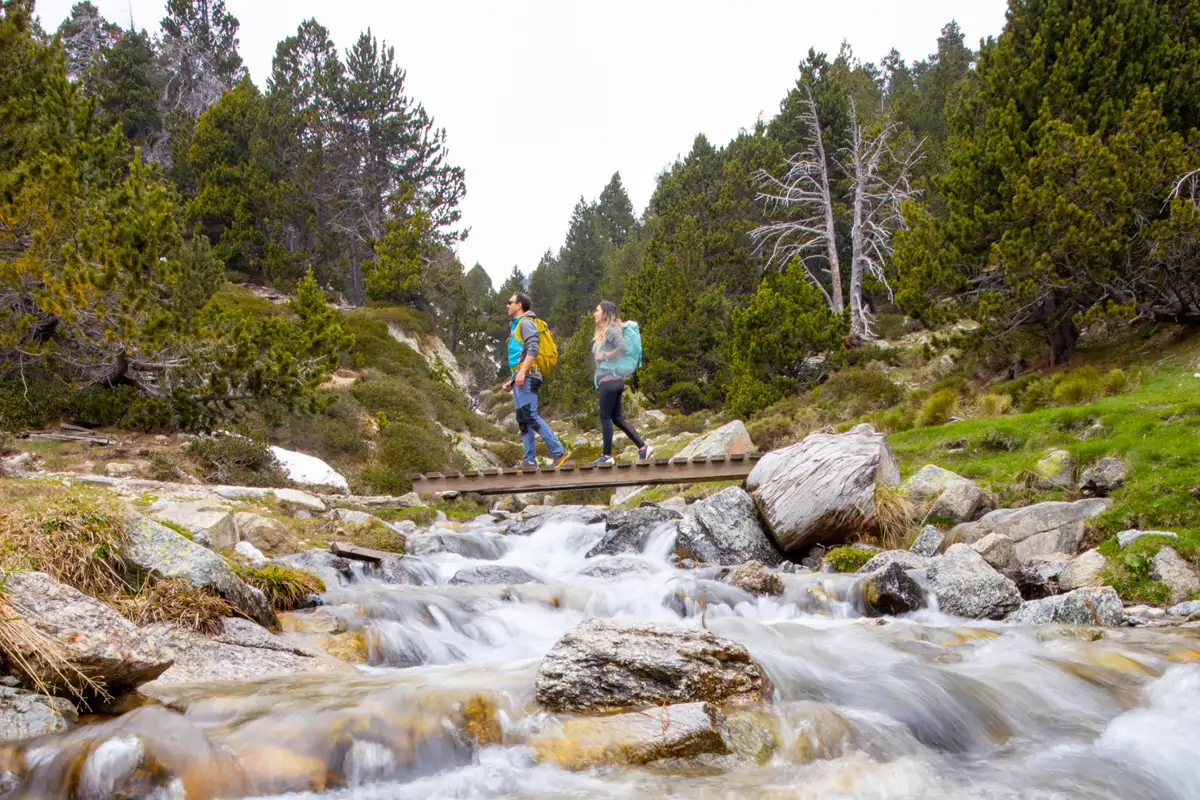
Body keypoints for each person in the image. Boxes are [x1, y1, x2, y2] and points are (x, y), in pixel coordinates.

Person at [503, 291, 571, 470]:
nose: (507, 305)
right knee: (523, 419)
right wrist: (512, 379)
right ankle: (529, 461)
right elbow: (522, 355)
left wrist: (522, 372)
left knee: (530, 415)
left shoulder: (525, 323)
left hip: (528, 376)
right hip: (521, 376)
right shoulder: (517, 325)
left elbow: (533, 348)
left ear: (519, 305)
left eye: (509, 302)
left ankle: (559, 452)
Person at [589, 301, 653, 466]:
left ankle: (607, 456)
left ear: (605, 313)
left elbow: (622, 347)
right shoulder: (607, 331)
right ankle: (643, 447)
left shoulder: (610, 330)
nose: (594, 314)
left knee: (605, 417)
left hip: (609, 380)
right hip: (615, 380)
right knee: (617, 418)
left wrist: (604, 356)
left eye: (597, 310)